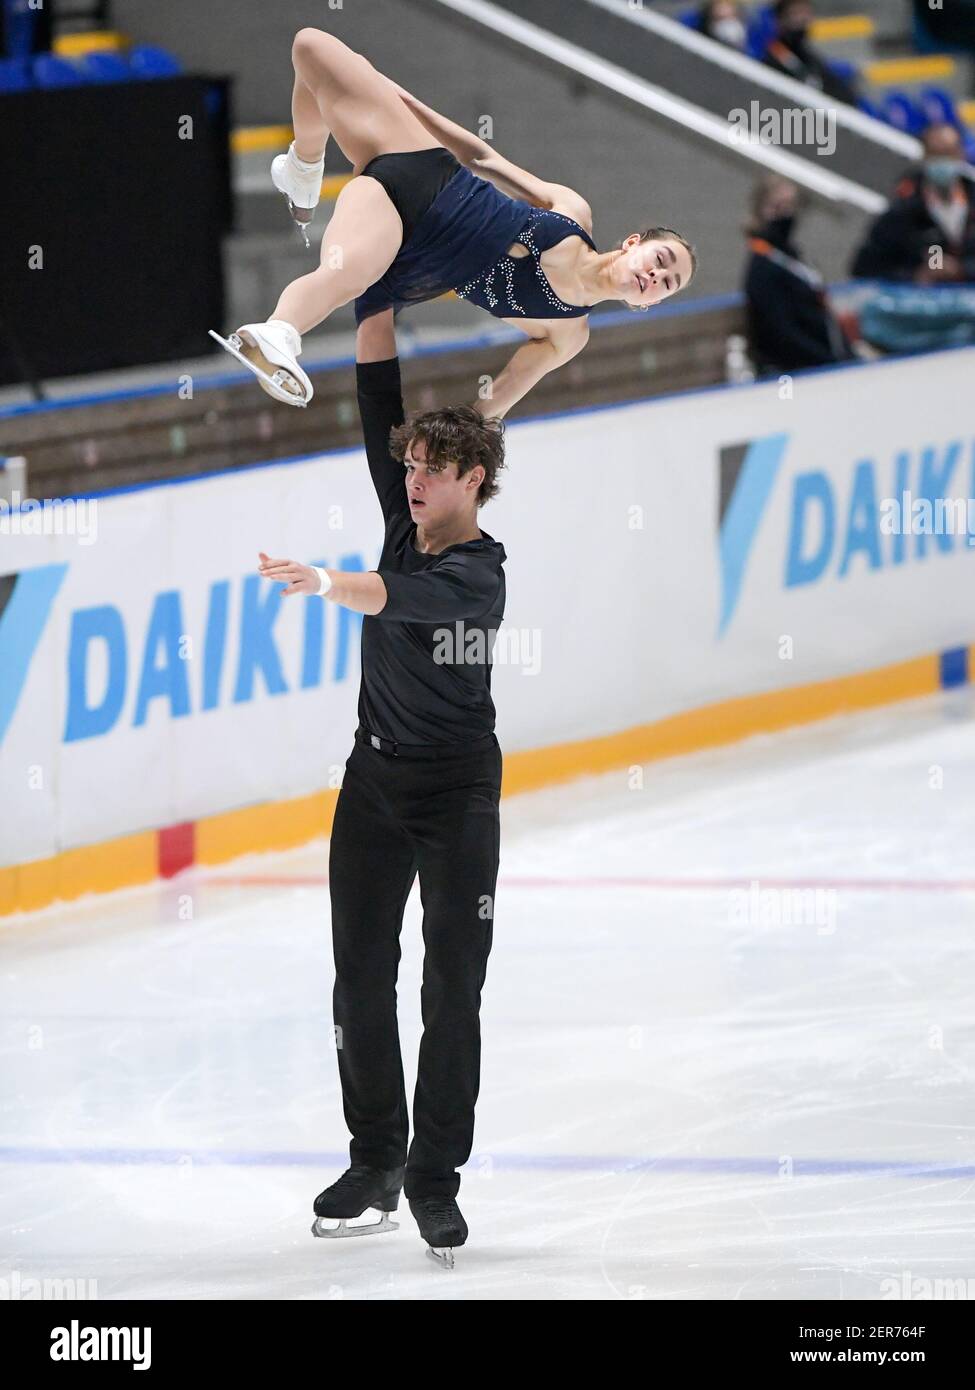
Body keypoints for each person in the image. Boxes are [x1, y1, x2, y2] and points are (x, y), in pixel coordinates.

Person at [257, 305, 506, 1268]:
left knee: (452, 988)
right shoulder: (404, 518)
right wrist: (375, 297)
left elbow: (388, 597)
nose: (411, 482)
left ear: (472, 481)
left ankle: (435, 1179)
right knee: (359, 977)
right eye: (407, 470)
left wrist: (324, 580)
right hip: (372, 785)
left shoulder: (477, 575)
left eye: (431, 472)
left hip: (455, 798)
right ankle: (376, 1161)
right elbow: (377, 402)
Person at [210, 26, 695, 412]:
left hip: (412, 242)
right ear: (634, 243)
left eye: (667, 283)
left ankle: (279, 333)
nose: (657, 275)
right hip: (423, 162)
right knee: (310, 47)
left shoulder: (569, 334)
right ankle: (303, 168)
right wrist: (407, 103)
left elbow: (495, 401)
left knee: (345, 272)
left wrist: (458, 455)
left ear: (646, 304)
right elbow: (483, 157)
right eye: (662, 258)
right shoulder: (574, 212)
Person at [744, 174, 854, 375]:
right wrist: (830, 362)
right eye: (778, 207)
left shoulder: (793, 256)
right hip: (796, 369)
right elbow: (782, 333)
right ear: (761, 211)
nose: (787, 214)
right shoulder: (762, 266)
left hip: (826, 360)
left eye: (791, 206)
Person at [851, 122, 975, 285]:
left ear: (960, 154)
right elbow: (865, 268)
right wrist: (915, 275)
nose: (943, 161)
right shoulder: (903, 211)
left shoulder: (971, 202)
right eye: (936, 154)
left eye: (948, 153)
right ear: (925, 156)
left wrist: (962, 269)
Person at [761, 0, 858, 107]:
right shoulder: (773, 59)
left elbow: (844, 95)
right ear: (781, 19)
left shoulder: (811, 58)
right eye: (796, 14)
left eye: (805, 13)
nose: (802, 20)